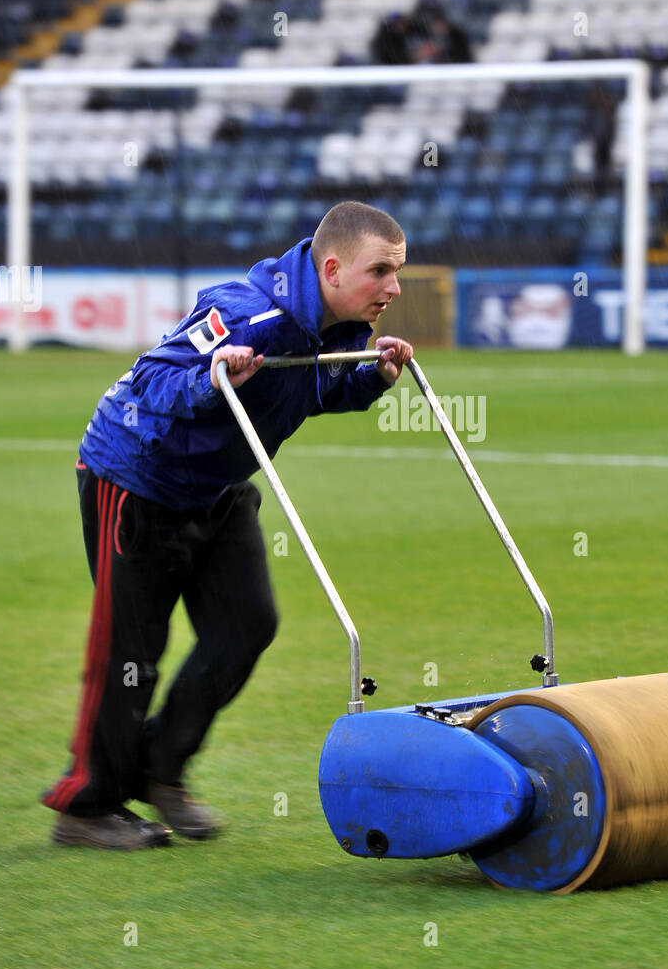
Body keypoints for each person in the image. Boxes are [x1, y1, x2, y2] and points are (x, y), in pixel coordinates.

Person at [41, 202, 412, 849]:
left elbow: (312, 394)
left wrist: (374, 379)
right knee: (131, 653)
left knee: (246, 625)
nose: (395, 287)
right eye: (380, 270)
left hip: (217, 486)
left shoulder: (338, 321)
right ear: (331, 267)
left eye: (397, 271)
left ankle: (159, 770)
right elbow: (154, 377)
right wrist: (215, 379)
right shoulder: (249, 312)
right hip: (137, 476)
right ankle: (87, 806)